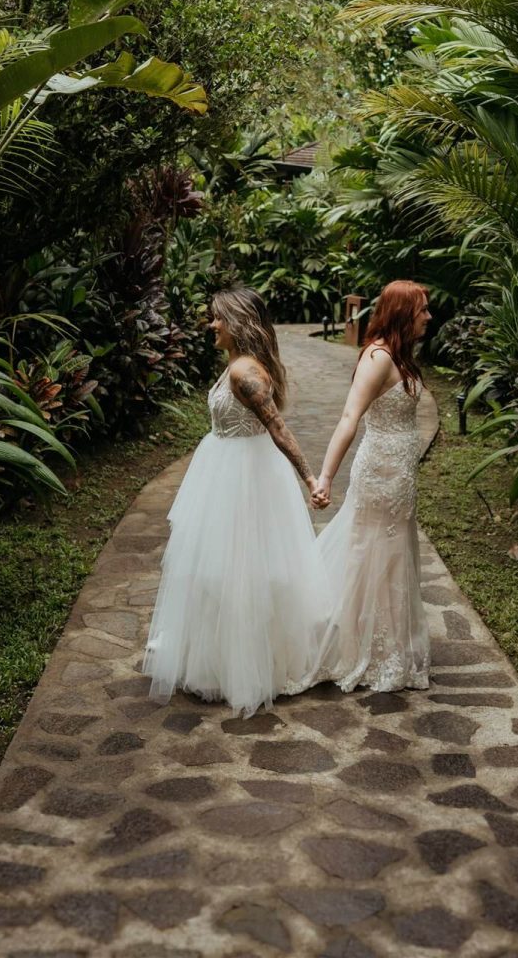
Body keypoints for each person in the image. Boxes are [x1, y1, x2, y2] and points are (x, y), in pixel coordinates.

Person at [143, 286, 329, 717]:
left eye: (218, 318)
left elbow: (279, 429)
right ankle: (216, 659)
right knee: (213, 570)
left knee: (240, 571)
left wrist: (309, 478)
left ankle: (247, 666)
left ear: (237, 322)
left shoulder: (246, 373)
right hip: (223, 468)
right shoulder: (235, 365)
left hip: (245, 478)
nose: (212, 324)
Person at [308, 280, 432, 692]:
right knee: (371, 552)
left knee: (394, 555)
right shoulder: (377, 357)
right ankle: (361, 645)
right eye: (422, 311)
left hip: (400, 475)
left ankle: (389, 645)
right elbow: (349, 418)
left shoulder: (400, 357)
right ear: (402, 313)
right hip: (379, 473)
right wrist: (325, 477)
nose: (429, 317)